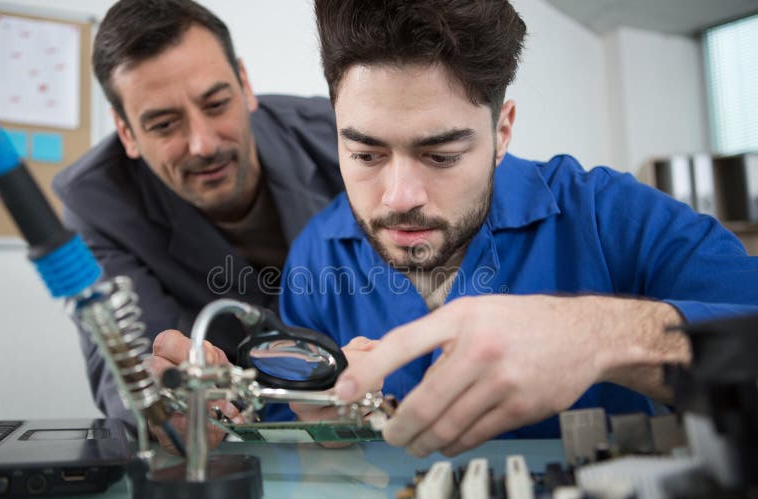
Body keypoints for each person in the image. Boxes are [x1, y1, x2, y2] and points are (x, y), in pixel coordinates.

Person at [277, 0, 758, 456]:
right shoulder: (316, 256)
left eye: (441, 156)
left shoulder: (605, 215)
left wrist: (598, 337)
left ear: (501, 131)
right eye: (365, 155)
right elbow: (279, 426)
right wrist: (317, 425)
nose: (400, 197)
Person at [52, 0, 343, 430]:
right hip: (239, 437)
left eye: (215, 104)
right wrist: (154, 394)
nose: (202, 144)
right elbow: (125, 359)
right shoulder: (97, 203)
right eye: (165, 124)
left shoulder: (339, 133)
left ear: (244, 85)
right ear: (127, 132)